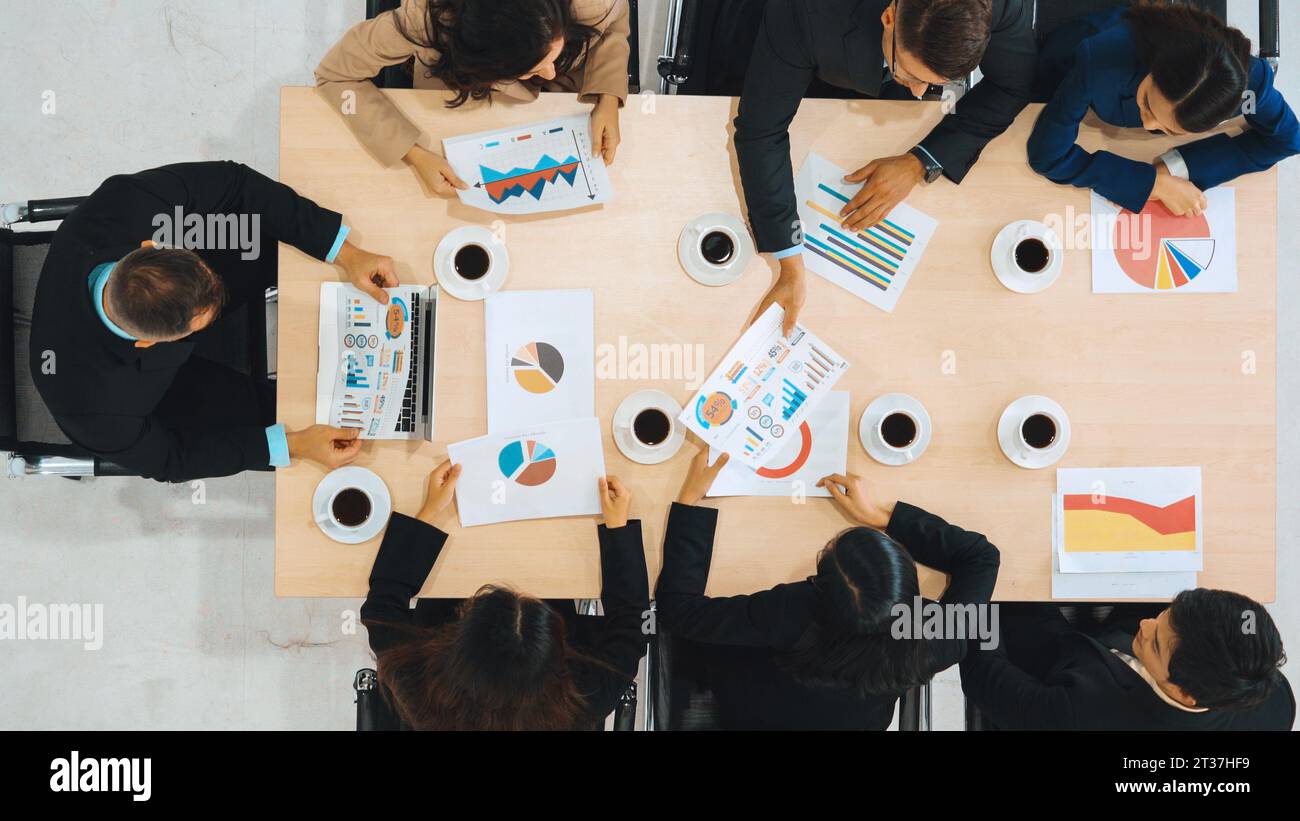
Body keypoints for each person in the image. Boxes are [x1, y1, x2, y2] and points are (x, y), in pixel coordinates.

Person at [29, 161, 396, 482]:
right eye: (201, 323)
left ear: (150, 246)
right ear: (149, 343)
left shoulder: (124, 203)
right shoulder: (93, 411)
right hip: (157, 392)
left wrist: (345, 252)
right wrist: (295, 444)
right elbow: (172, 459)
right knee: (307, 421)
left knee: (263, 235)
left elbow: (235, 183)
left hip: (186, 273)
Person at [736, 0, 1037, 335]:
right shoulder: (804, 12)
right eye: (908, 74)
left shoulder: (1001, 4)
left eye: (937, 82)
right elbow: (761, 131)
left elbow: (1013, 84)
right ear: (890, 16)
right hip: (809, 42)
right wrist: (789, 261)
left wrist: (921, 159)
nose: (923, 94)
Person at [654, 449, 1000, 730]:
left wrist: (689, 501)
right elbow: (980, 557)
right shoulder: (937, 639)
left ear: (819, 589)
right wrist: (883, 517)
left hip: (752, 709)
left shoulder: (790, 613)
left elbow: (679, 611)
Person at [362, 460, 649, 730]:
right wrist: (618, 529)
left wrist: (428, 514)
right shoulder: (581, 701)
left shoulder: (422, 694)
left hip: (452, 580)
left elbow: (380, 609)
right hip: (553, 570)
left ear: (455, 647)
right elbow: (630, 626)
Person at [315, 0, 631, 196]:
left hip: (561, 105)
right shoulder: (425, 20)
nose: (547, 73)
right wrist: (414, 153)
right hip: (456, 108)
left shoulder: (593, 3)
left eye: (551, 56)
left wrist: (607, 95)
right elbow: (335, 74)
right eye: (533, 67)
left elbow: (614, 22)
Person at [1028, 1, 1300, 217]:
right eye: (1147, 102)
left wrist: (1175, 168)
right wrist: (1150, 184)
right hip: (1063, 67)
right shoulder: (1100, 62)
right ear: (1153, 67)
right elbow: (1047, 154)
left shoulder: (1251, 88)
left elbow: (1288, 140)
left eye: (1170, 129)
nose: (1148, 126)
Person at [960, 591, 1295, 730]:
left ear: (1184, 694)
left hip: (1061, 664)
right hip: (1111, 642)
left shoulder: (1079, 712)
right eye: (1167, 614)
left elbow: (984, 675)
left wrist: (975, 602)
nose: (1146, 625)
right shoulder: (1274, 697)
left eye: (1158, 643)